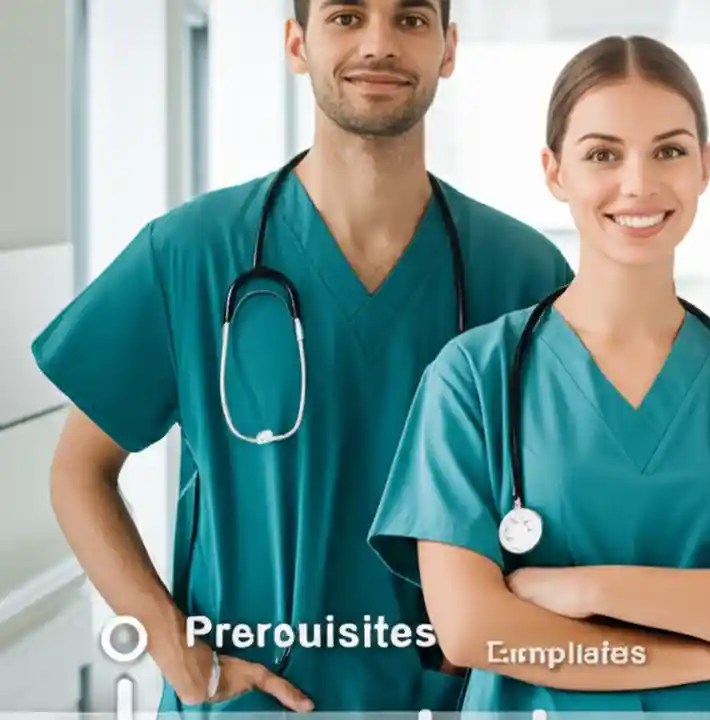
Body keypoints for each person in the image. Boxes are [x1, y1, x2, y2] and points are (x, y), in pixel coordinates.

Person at [32, 0, 572, 712]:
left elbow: (576, 493)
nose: (378, 44)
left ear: (448, 50)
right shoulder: (191, 253)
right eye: (347, 17)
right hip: (247, 702)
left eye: (410, 19)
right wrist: (173, 646)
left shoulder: (522, 272)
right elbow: (79, 470)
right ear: (297, 44)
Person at [368, 35, 710, 714]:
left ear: (705, 166)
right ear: (554, 171)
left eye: (669, 151)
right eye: (603, 154)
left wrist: (590, 591)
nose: (639, 183)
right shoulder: (474, 378)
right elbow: (475, 629)